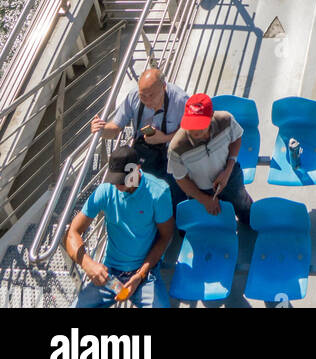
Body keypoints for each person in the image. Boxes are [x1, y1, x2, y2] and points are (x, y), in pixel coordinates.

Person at [65, 147, 173, 308]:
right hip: (111, 275)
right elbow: (71, 233)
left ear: (137, 169)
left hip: (144, 274)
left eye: (123, 179)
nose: (118, 185)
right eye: (115, 179)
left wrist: (140, 274)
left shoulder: (158, 192)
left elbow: (165, 236)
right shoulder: (105, 190)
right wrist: (88, 265)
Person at [91, 67, 188, 205]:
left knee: (171, 197)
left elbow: (191, 132)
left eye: (152, 96)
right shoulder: (133, 97)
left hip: (172, 153)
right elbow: (115, 128)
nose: (147, 101)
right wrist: (101, 129)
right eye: (143, 96)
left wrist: (164, 138)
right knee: (134, 193)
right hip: (144, 152)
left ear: (164, 87)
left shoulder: (180, 100)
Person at [168, 94, 252, 224]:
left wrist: (228, 170)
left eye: (200, 125)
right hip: (201, 190)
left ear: (211, 115)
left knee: (245, 208)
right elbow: (180, 179)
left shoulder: (226, 120)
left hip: (230, 177)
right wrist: (204, 199)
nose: (195, 131)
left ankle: (249, 226)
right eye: (191, 125)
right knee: (213, 222)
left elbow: (236, 138)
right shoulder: (176, 148)